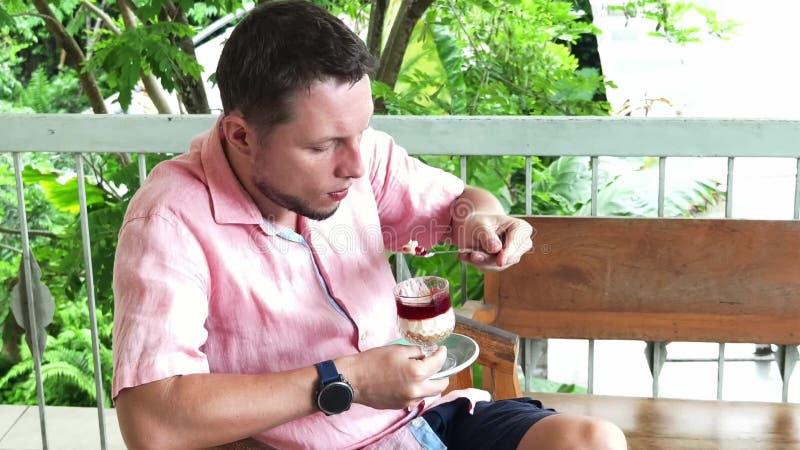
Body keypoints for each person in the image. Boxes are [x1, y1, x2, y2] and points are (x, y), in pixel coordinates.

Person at [111, 1, 627, 449]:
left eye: (361, 131)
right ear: (242, 136)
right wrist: (346, 381)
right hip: (311, 444)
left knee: (594, 441)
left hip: (426, 416)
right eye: (322, 146)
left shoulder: (362, 159)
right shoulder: (170, 220)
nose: (355, 166)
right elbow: (152, 420)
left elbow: (461, 204)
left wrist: (483, 219)